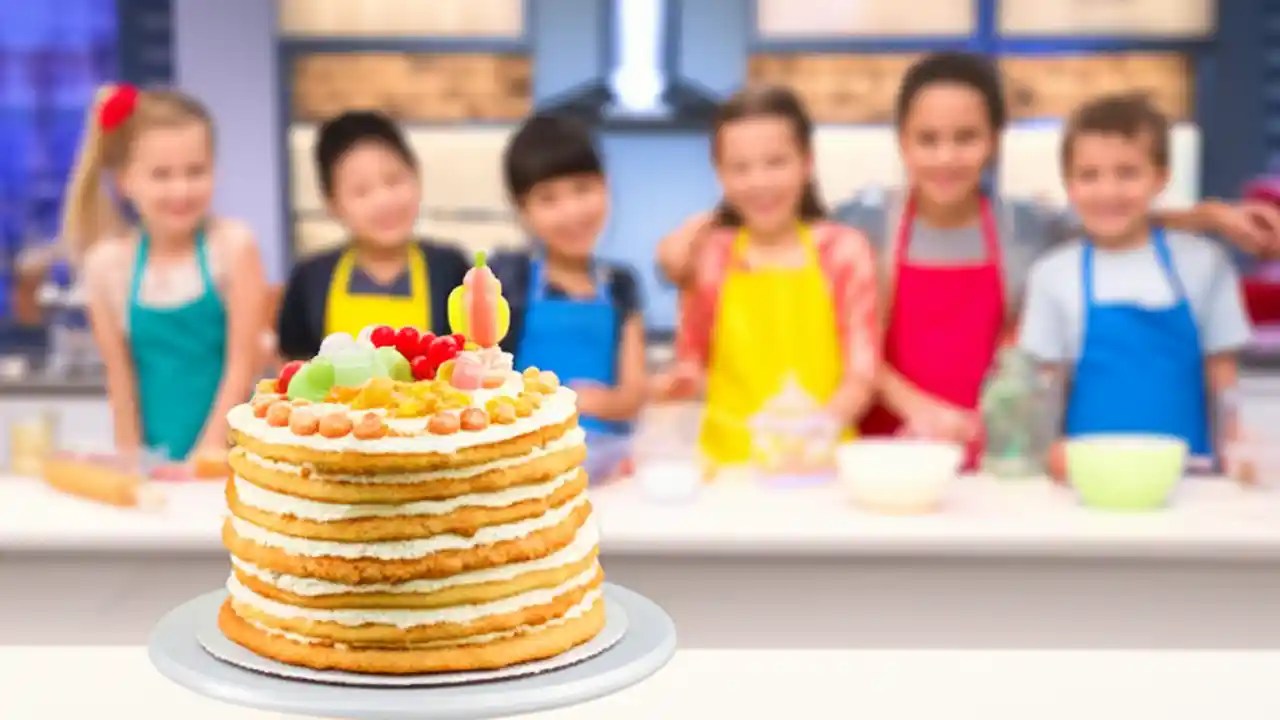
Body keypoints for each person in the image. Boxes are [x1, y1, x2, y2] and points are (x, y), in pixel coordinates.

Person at [657, 52, 1280, 465]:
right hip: (880, 449)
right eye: (927, 139)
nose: (946, 156)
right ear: (902, 141)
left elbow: (1113, 209)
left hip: (990, 449)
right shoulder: (861, 224)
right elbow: (773, 208)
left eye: (966, 138)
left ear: (993, 142)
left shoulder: (1022, 226)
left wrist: (1209, 217)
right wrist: (697, 228)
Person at [655, 86, 879, 469]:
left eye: (776, 162)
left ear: (806, 163)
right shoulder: (710, 256)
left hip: (823, 469)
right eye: (739, 168)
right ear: (720, 175)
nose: (759, 182)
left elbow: (862, 373)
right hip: (727, 473)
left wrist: (815, 432)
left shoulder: (844, 252)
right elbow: (691, 363)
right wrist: (658, 396)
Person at [1020, 95, 1251, 465]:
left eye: (1127, 173)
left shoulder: (1203, 264)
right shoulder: (1052, 275)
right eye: (1089, 175)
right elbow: (1046, 389)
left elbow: (1224, 383)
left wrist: (1238, 447)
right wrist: (1044, 451)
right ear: (1069, 184)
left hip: (1190, 481)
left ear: (1160, 177)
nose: (1108, 191)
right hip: (1087, 481)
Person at [67, 84, 268, 462]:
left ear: (215, 170)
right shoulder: (107, 267)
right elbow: (121, 382)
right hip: (154, 464)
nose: (181, 189)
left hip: (230, 459)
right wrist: (131, 463)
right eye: (161, 175)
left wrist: (206, 456)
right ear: (125, 181)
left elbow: (242, 366)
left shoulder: (234, 247)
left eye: (196, 171)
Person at [489, 114, 647, 478]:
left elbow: (632, 397)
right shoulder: (507, 279)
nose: (572, 211)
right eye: (549, 199)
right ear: (522, 209)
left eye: (582, 188)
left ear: (605, 186)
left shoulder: (622, 285)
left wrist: (593, 401)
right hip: (525, 468)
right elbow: (482, 385)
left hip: (610, 468)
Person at [277, 111, 469, 360]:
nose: (384, 201)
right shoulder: (311, 277)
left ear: (416, 175)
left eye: (394, 179)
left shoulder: (449, 268)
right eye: (361, 191)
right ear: (332, 203)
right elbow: (292, 364)